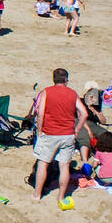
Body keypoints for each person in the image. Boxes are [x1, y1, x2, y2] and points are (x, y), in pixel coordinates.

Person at [31, 68, 88, 203]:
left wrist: (39, 130)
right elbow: (84, 114)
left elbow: (40, 112)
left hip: (49, 132)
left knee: (43, 163)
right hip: (67, 134)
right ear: (66, 80)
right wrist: (77, 130)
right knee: (64, 166)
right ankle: (61, 196)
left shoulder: (46, 92)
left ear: (54, 79)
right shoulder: (73, 94)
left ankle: (37, 194)